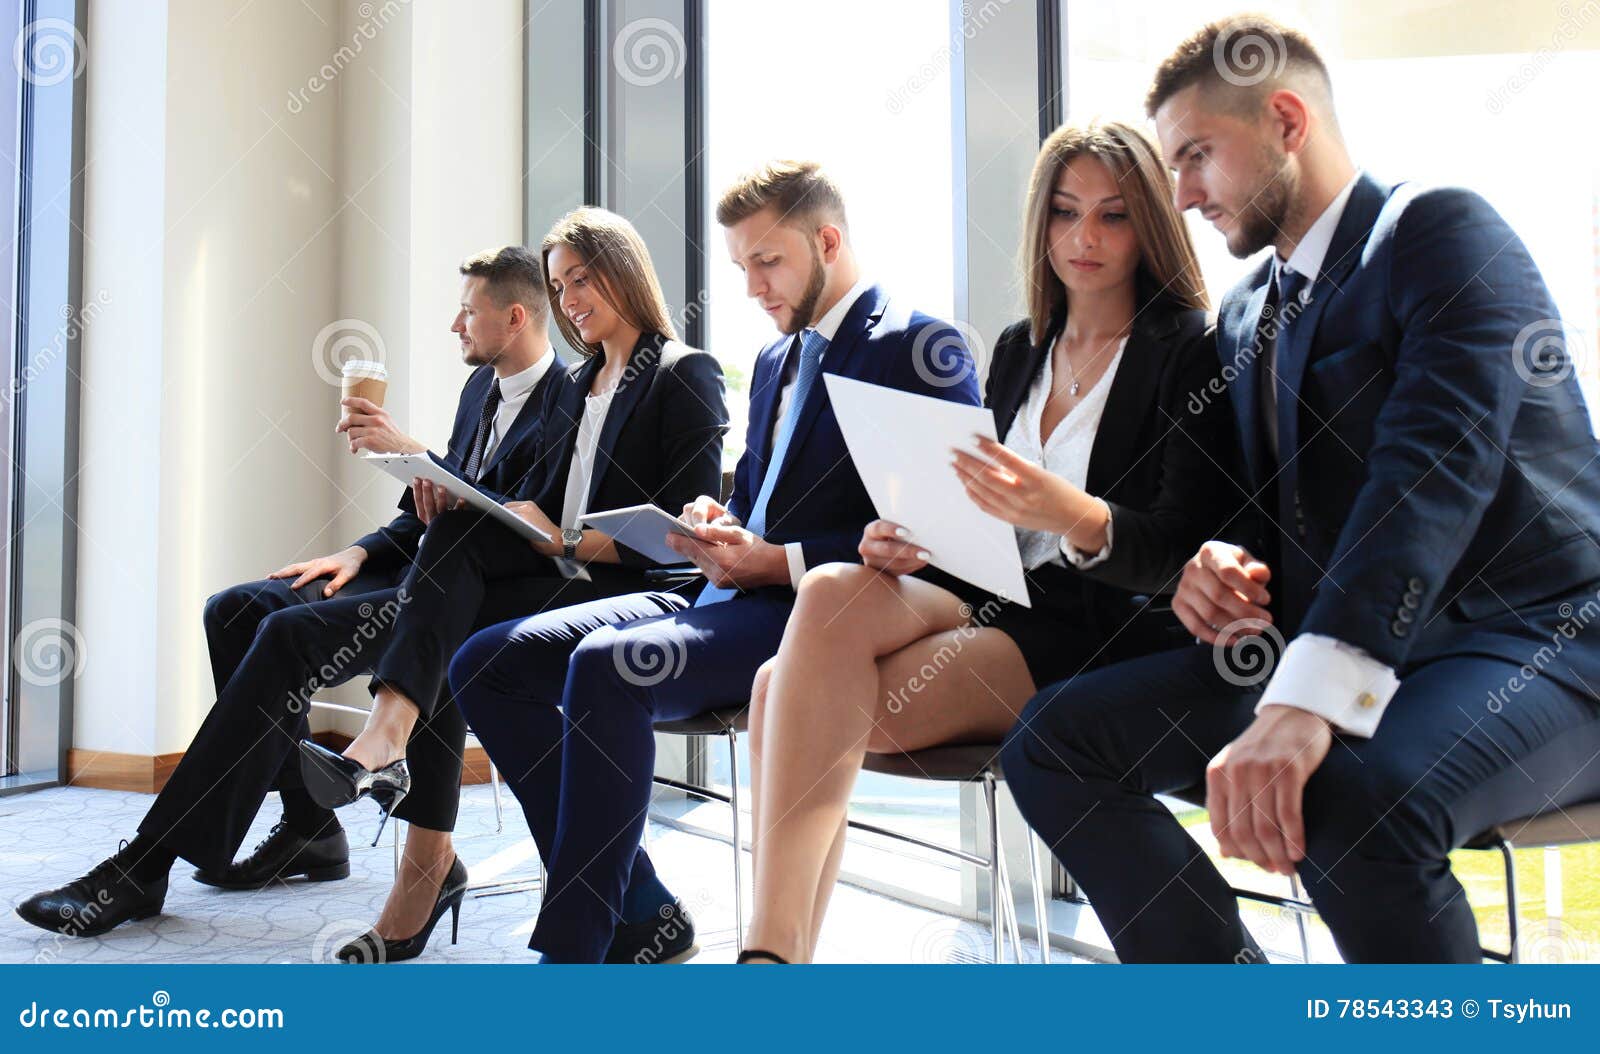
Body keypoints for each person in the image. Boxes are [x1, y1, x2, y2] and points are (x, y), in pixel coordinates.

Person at [1000, 14, 1600, 963]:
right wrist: (1211, 568)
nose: (1183, 193)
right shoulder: (1244, 312)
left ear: (1285, 118)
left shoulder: (1439, 230)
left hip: (1526, 641)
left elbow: (1429, 475)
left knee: (1353, 804)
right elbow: (1240, 518)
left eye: (1196, 155)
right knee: (1050, 738)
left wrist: (1305, 703)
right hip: (1347, 658)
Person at [446, 160, 983, 963]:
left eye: (768, 262)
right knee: (487, 663)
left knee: (607, 666)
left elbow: (947, 544)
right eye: (740, 267)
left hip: (812, 618)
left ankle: (575, 955)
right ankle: (635, 904)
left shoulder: (916, 345)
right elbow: (760, 499)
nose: (752, 287)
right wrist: (718, 522)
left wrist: (781, 561)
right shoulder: (773, 362)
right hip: (715, 595)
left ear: (827, 241)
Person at [736, 121, 1235, 964]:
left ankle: (773, 964)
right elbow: (978, 515)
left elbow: (1175, 546)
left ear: (1149, 224)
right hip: (986, 590)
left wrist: (1064, 510)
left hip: (1095, 625)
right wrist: (910, 537)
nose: (1084, 239)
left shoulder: (1186, 349)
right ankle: (775, 961)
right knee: (829, 589)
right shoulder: (1018, 348)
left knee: (778, 689)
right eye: (1066, 213)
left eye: (1113, 216)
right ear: (1041, 224)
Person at [16, 247, 565, 938]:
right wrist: (356, 552)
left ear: (514, 318)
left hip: (465, 596)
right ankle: (312, 828)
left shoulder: (569, 404)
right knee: (241, 609)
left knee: (285, 637)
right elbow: (434, 505)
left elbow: (530, 531)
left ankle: (143, 866)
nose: (456, 325)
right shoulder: (481, 390)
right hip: (417, 565)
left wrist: (415, 452)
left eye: (468, 311)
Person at [298, 206, 727, 963]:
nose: (570, 302)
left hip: (647, 584)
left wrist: (556, 533)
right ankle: (636, 904)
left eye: (582, 281)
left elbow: (680, 532)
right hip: (563, 573)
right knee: (458, 593)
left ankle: (389, 751)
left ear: (623, 272)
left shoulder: (683, 372)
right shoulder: (578, 381)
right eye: (560, 288)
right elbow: (538, 497)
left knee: (462, 638)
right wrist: (462, 492)